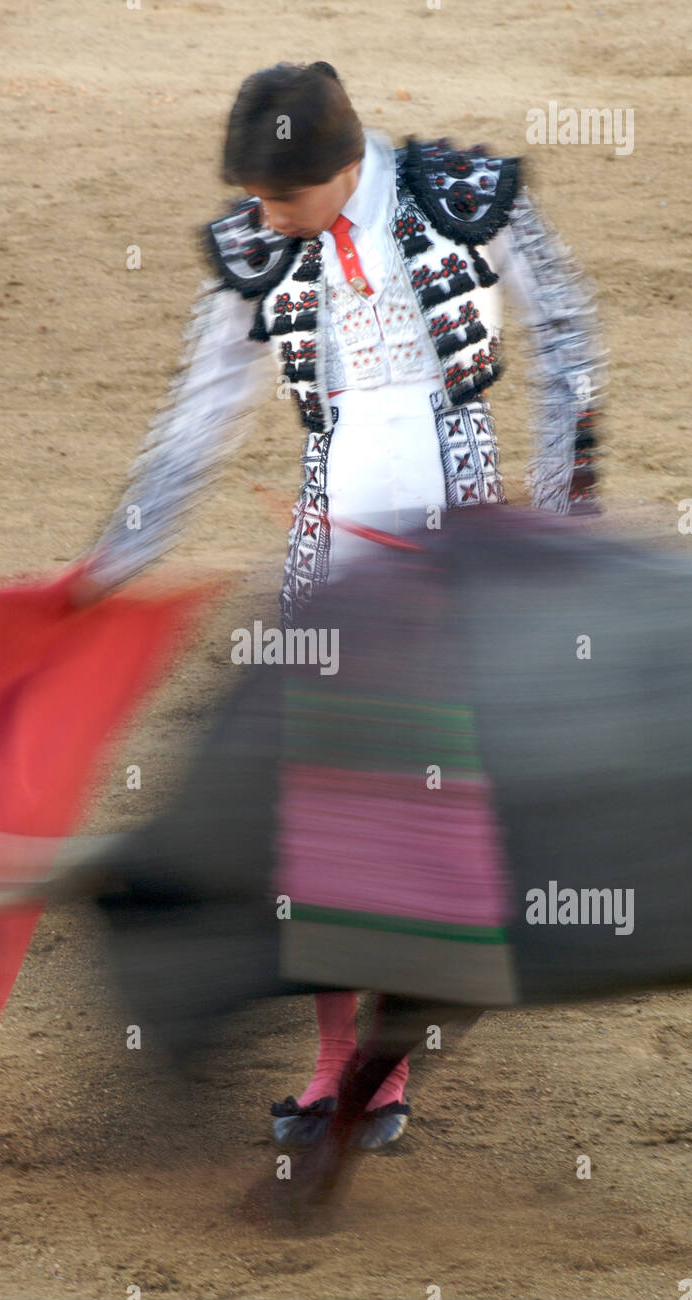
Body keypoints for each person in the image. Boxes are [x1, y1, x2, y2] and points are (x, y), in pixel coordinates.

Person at [69, 60, 606, 1149]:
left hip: (460, 550)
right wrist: (110, 566)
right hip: (333, 548)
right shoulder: (259, 245)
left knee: (425, 811)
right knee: (329, 810)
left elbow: (568, 340)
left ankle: (384, 1074)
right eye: (258, 198)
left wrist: (562, 522)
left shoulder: (465, 193)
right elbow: (199, 418)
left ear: (344, 168)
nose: (264, 220)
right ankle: (331, 1065)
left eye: (283, 198)